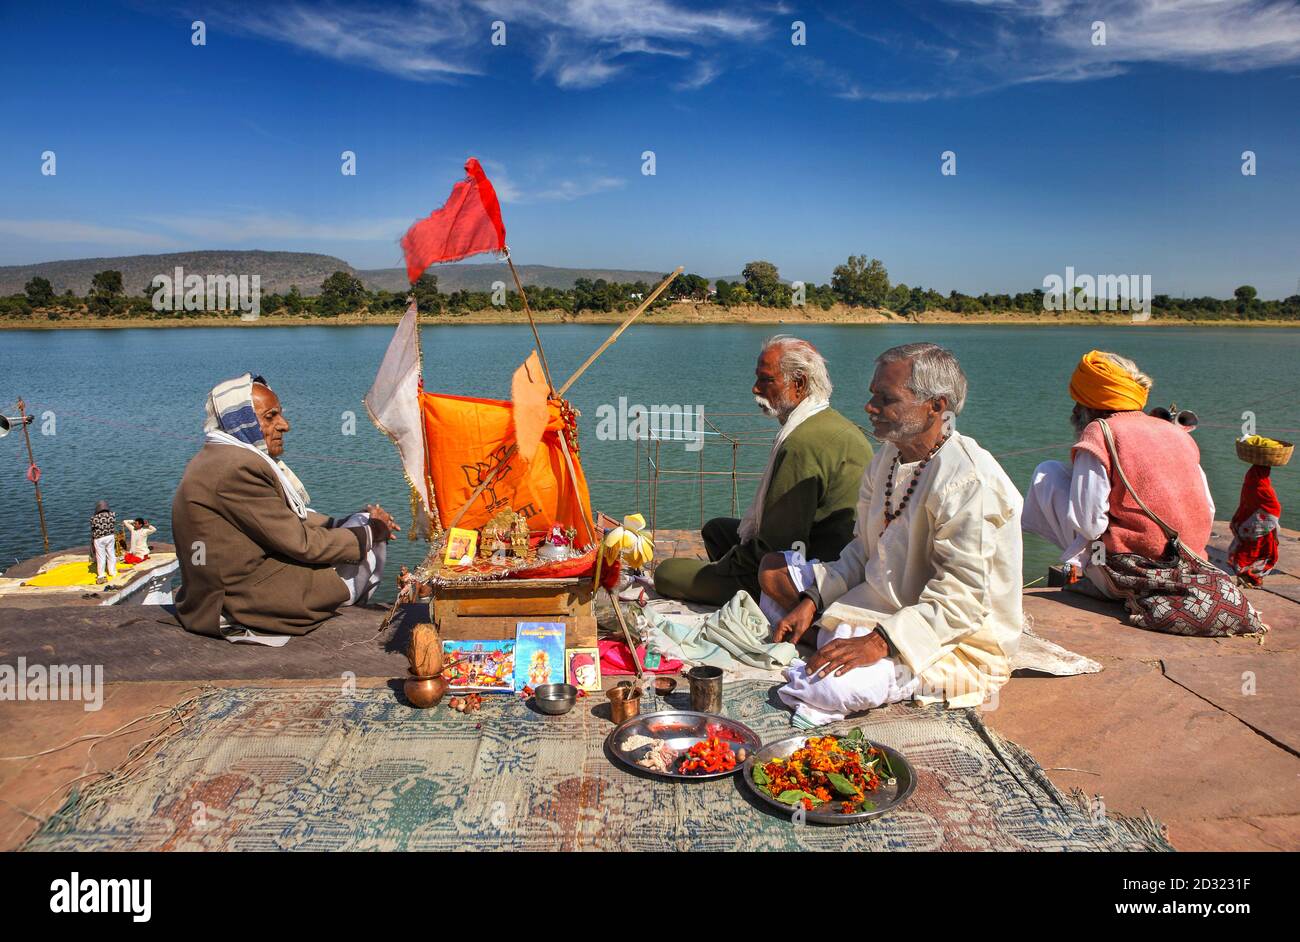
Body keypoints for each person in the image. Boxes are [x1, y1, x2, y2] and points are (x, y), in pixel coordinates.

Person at [758, 343, 1023, 727]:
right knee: (772, 577)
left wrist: (880, 642)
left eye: (886, 399)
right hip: (881, 609)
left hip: (953, 639)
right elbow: (863, 549)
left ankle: (878, 661)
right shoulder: (888, 457)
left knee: (828, 689)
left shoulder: (969, 480)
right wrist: (812, 601)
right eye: (872, 396)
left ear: (936, 406)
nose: (870, 407)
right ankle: (834, 637)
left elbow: (962, 601)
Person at [172, 372, 398, 638]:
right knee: (366, 548)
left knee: (359, 526)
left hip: (228, 590)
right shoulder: (238, 467)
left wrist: (353, 521)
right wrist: (374, 533)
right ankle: (353, 615)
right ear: (240, 420)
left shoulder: (222, 456)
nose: (284, 425)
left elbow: (285, 517)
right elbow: (302, 544)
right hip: (241, 603)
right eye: (271, 417)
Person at [653, 336, 873, 606]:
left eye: (766, 380)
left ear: (799, 383)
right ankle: (730, 580)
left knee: (666, 574)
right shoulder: (830, 423)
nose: (755, 389)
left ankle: (756, 596)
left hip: (811, 573)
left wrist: (731, 567)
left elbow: (777, 545)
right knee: (717, 530)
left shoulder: (801, 443)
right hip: (829, 551)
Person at [1022, 350, 1214, 597]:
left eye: (1077, 402)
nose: (1073, 411)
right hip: (1189, 567)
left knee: (1047, 473)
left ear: (1088, 406)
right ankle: (1083, 564)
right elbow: (1208, 510)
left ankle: (1088, 569)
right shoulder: (1177, 433)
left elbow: (1089, 525)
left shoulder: (1099, 431)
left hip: (1131, 577)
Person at [90, 499, 117, 585]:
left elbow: (93, 528)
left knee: (101, 556)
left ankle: (101, 574)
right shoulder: (112, 515)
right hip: (110, 536)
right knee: (111, 554)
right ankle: (112, 571)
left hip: (99, 538)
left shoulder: (94, 518)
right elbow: (113, 523)